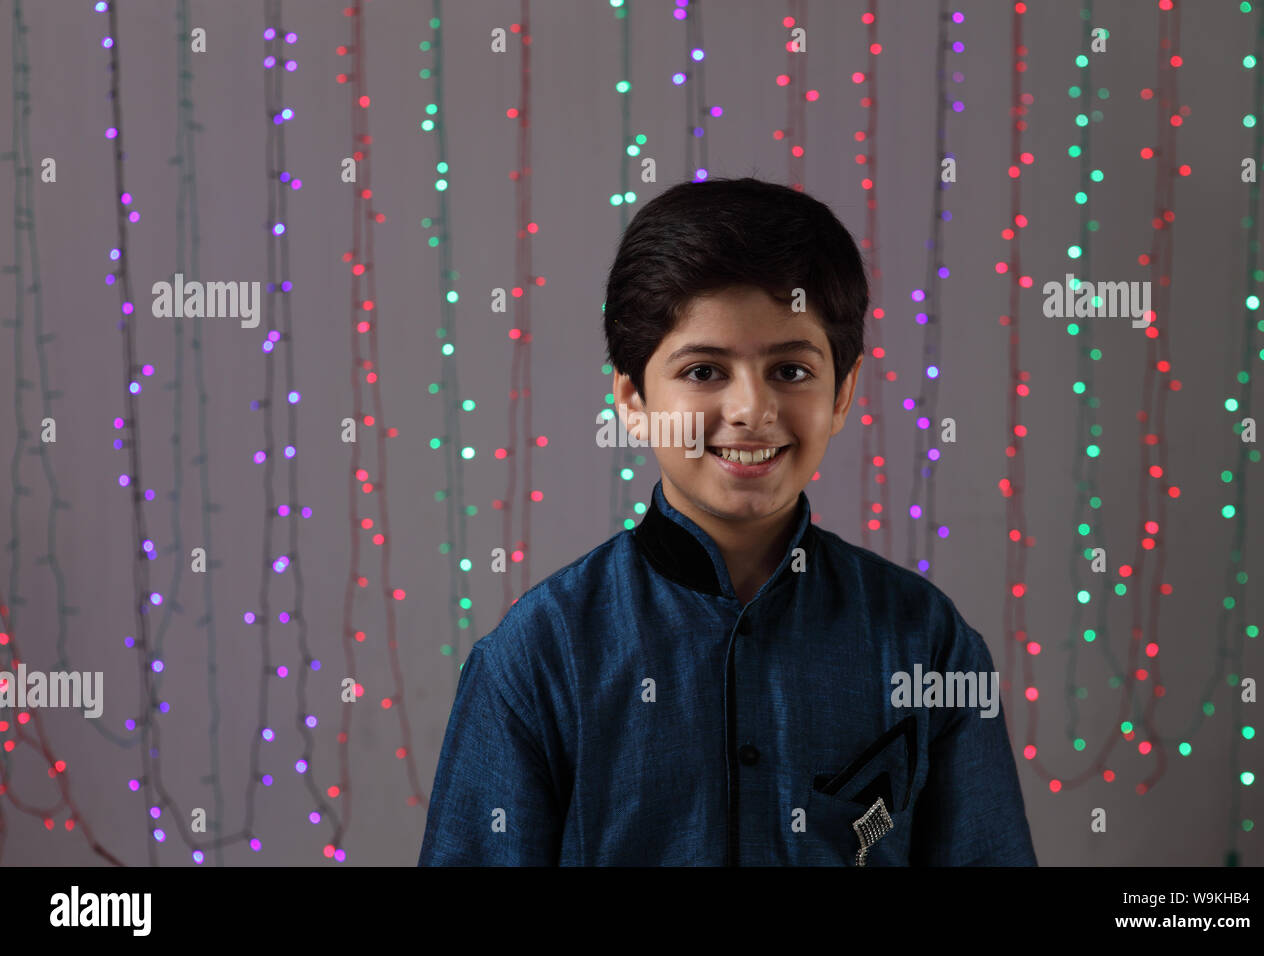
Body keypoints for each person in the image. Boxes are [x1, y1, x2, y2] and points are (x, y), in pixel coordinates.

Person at [418, 177, 1036, 866]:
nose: (751, 410)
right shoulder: (539, 658)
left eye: (792, 371)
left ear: (843, 393)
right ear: (632, 397)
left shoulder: (927, 644)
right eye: (706, 370)